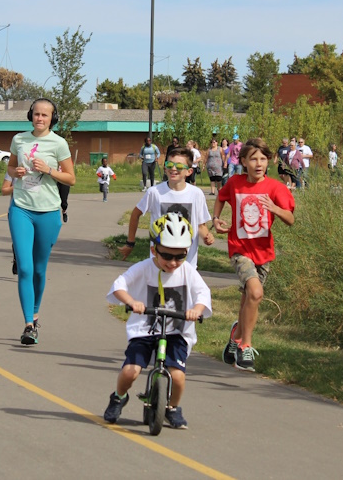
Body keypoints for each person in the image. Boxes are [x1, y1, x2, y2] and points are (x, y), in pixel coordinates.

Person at [102, 212, 211, 429]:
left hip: (176, 331)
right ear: (154, 250)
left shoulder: (188, 271)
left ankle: (172, 407)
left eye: (180, 256)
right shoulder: (144, 267)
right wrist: (132, 302)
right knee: (130, 371)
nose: (173, 262)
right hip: (145, 330)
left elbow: (202, 294)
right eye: (167, 256)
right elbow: (120, 285)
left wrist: (196, 310)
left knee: (177, 376)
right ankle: (118, 397)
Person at [212, 138, 295, 372]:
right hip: (240, 249)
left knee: (248, 299)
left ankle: (234, 338)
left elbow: (290, 219)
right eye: (253, 159)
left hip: (264, 252)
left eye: (263, 159)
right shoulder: (236, 183)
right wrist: (216, 219)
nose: (259, 163)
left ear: (269, 161)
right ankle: (245, 346)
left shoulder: (276, 188)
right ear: (244, 162)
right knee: (256, 293)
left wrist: (276, 209)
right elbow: (220, 197)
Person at [7, 98, 76, 344]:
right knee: (24, 268)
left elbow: (70, 179)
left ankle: (35, 315)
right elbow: (10, 169)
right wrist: (16, 172)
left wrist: (49, 170)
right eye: (36, 114)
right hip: (21, 208)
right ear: (30, 115)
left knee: (38, 269)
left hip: (48, 212)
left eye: (45, 115)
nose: (40, 118)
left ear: (52, 118)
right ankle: (28, 325)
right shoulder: (19, 140)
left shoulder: (59, 144)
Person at [120, 145, 214, 268]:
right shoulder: (154, 192)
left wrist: (207, 236)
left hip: (187, 265)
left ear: (189, 171)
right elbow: (135, 214)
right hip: (159, 263)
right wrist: (130, 243)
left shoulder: (196, 194)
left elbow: (200, 226)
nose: (173, 168)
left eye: (179, 166)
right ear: (165, 168)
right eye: (170, 165)